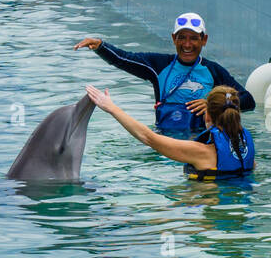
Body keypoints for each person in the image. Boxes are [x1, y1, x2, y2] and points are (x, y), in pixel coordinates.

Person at [73, 11, 256, 136]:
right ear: (173, 39)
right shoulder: (159, 66)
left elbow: (248, 100)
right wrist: (100, 47)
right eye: (181, 37)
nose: (187, 44)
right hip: (164, 140)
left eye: (193, 38)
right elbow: (124, 59)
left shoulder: (213, 71)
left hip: (201, 142)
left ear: (204, 40)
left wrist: (214, 105)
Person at [86, 82, 256, 179]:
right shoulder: (247, 143)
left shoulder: (201, 152)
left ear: (207, 115)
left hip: (206, 215)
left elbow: (148, 138)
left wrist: (112, 108)